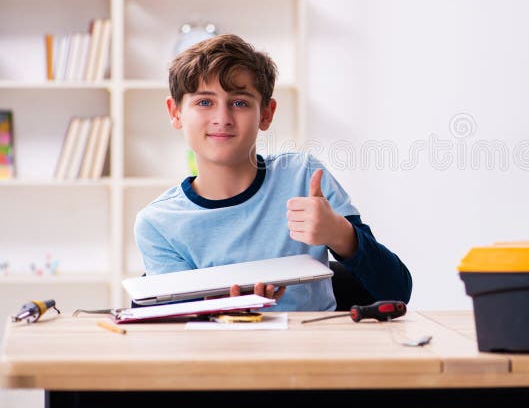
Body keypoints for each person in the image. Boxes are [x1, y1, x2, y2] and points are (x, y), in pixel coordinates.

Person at [133, 34, 412, 311]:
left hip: (315, 348)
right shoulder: (158, 224)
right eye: (204, 102)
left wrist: (340, 233)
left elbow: (397, 290)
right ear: (175, 112)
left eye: (240, 102)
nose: (222, 118)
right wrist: (221, 311)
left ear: (266, 114)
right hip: (216, 353)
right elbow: (176, 329)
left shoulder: (303, 176)